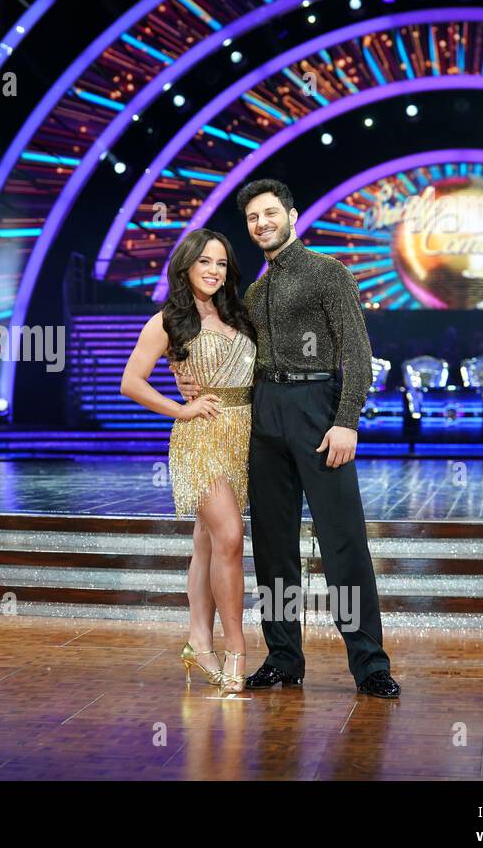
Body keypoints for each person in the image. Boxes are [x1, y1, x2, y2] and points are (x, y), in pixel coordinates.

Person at [173, 178, 401, 699]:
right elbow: (225, 349)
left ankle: (370, 666)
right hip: (264, 414)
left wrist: (347, 421)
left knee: (343, 541)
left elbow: (358, 356)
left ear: (292, 215)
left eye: (270, 213)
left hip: (318, 409)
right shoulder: (253, 290)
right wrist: (191, 382)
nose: (262, 223)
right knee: (275, 547)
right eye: (253, 218)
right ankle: (283, 659)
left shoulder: (329, 274)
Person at [121, 228, 257, 693]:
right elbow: (131, 381)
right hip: (200, 439)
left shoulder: (239, 314)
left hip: (246, 436)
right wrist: (180, 408)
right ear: (185, 267)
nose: (214, 271)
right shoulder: (168, 320)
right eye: (205, 262)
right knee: (231, 538)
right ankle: (237, 648)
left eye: (221, 263)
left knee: (207, 545)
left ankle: (198, 642)